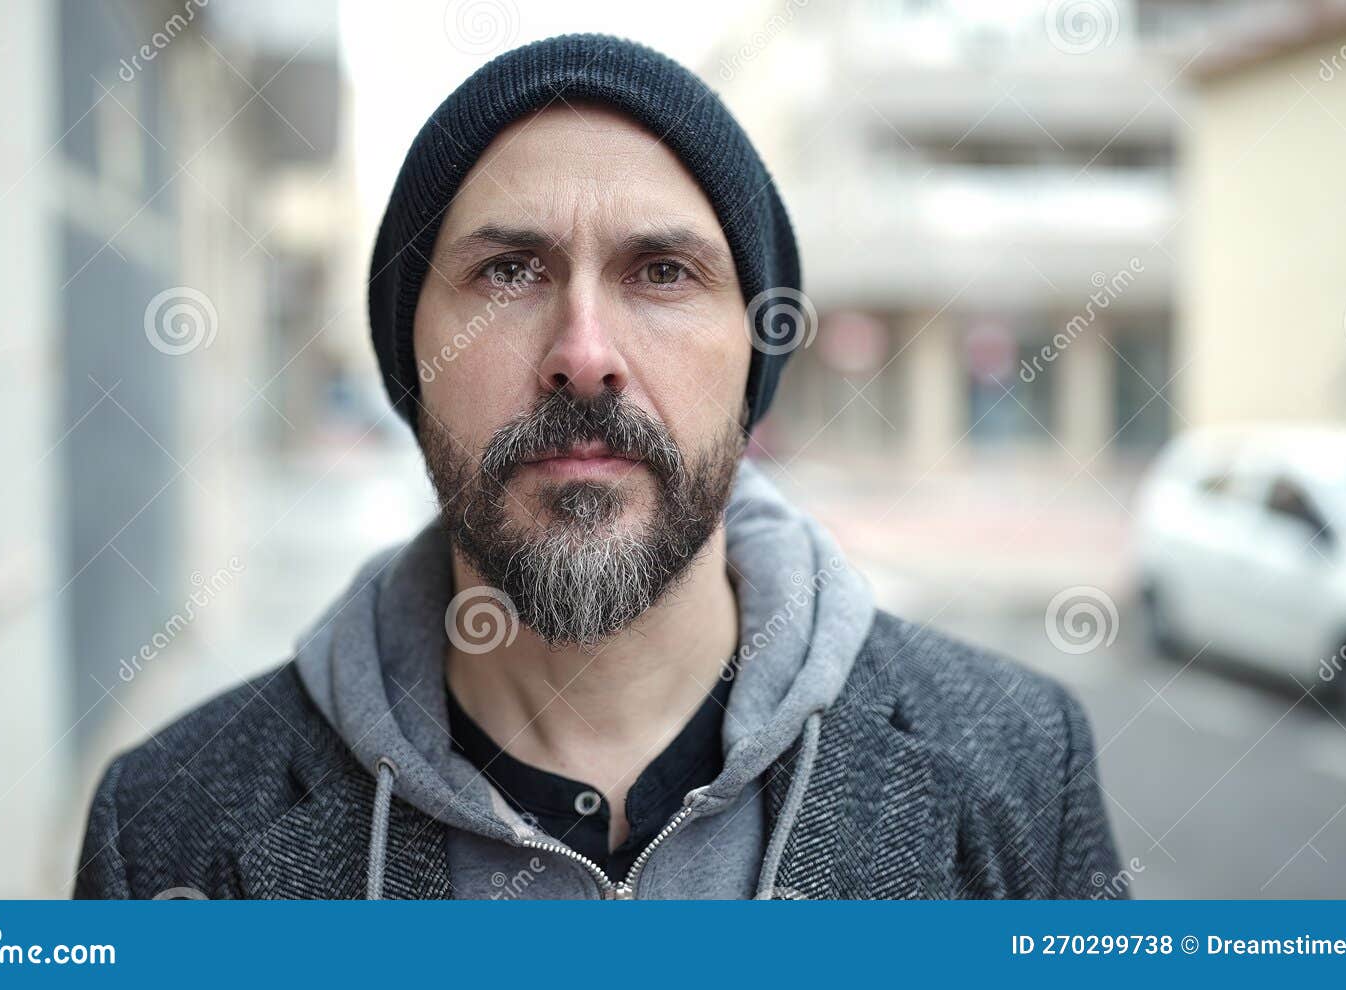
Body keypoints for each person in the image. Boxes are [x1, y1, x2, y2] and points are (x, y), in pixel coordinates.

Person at [75, 33, 1122, 900]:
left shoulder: (1021, 768)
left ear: (754, 354)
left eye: (661, 273)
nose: (584, 354)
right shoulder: (172, 830)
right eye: (508, 271)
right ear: (412, 361)